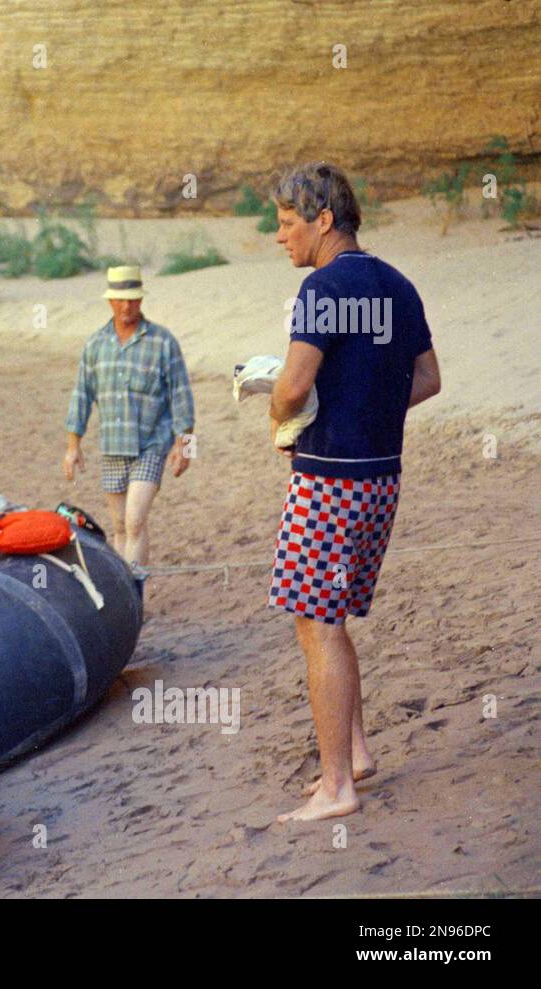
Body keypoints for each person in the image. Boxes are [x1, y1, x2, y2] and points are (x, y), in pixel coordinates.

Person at [266, 162, 441, 823]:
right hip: (379, 478)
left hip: (330, 481)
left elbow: (290, 384)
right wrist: (365, 408)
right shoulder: (397, 284)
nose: (279, 236)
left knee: (318, 622)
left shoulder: (322, 288)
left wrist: (282, 420)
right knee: (329, 618)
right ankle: (358, 751)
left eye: (287, 224)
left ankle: (336, 784)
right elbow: (426, 379)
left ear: (322, 221)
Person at [62, 265, 196, 567]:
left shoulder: (163, 342)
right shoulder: (95, 345)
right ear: (110, 301)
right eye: (120, 299)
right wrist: (73, 447)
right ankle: (126, 597)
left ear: (141, 300)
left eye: (133, 299)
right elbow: (81, 395)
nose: (127, 306)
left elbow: (181, 396)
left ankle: (135, 593)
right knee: (120, 527)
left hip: (150, 446)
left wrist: (184, 447)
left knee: (135, 521)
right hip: (112, 448)